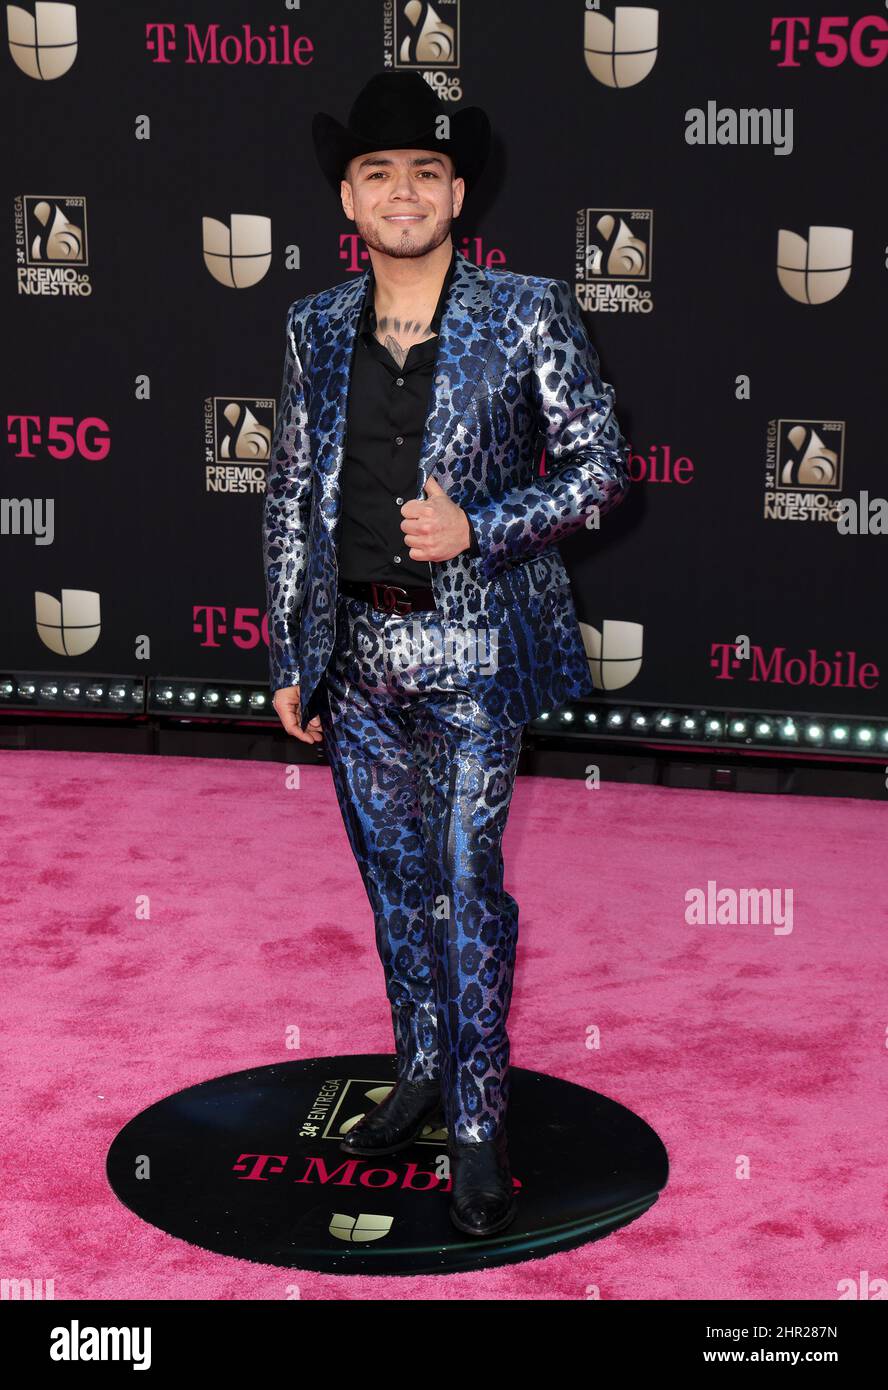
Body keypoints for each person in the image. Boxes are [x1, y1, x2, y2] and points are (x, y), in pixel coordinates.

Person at [262, 70, 630, 1237]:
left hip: (473, 653)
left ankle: (477, 1121)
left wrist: (484, 524)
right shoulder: (312, 325)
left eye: (425, 172)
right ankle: (419, 1066)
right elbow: (285, 494)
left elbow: (600, 469)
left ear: (457, 190)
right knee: (396, 891)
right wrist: (289, 649)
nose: (403, 192)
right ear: (350, 199)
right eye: (379, 174)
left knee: (471, 890)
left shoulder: (527, 310)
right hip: (354, 657)